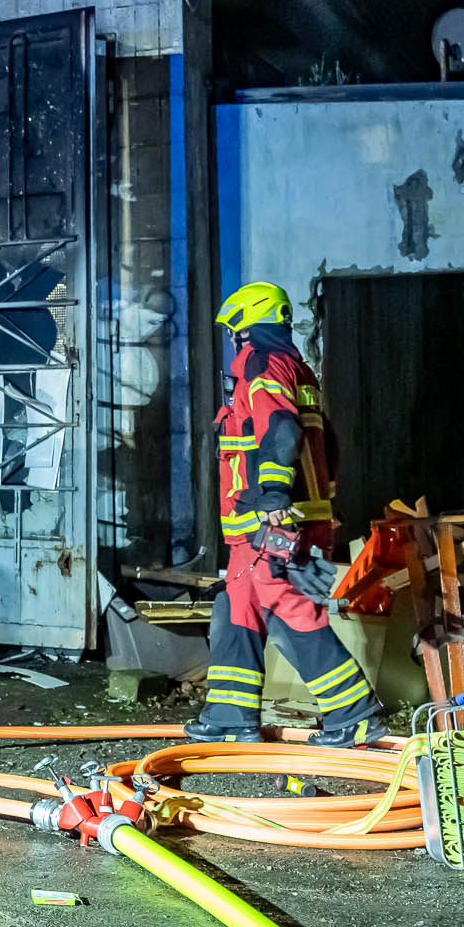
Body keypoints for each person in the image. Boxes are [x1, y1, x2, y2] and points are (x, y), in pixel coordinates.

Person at [185, 281, 385, 748]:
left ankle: (354, 715)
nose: (233, 341)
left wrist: (275, 494)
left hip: (273, 522)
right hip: (254, 529)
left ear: (246, 327)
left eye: (234, 331)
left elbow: (280, 428)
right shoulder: (294, 368)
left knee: (289, 609)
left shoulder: (263, 363)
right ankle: (231, 717)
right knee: (236, 609)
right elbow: (323, 443)